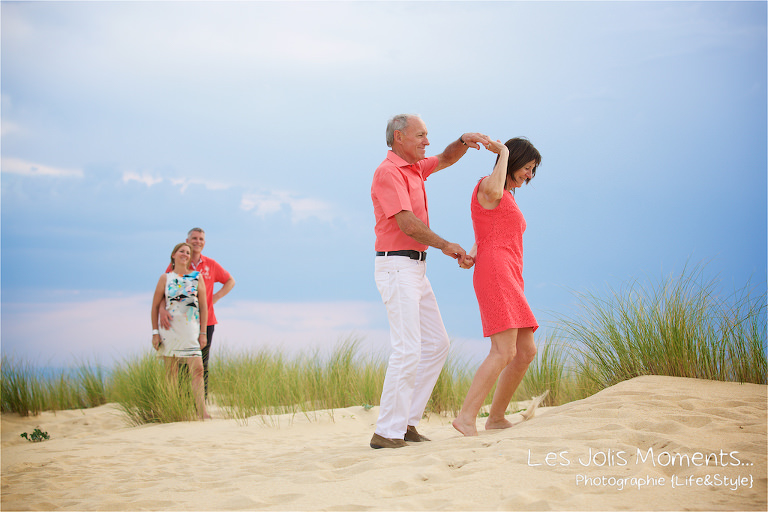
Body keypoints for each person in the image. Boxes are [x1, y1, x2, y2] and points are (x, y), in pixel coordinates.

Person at [369, 113, 489, 449]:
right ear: (399, 137)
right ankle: (386, 432)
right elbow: (407, 223)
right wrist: (447, 245)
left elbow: (447, 157)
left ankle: (405, 423)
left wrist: (464, 141)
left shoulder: (415, 168)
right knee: (407, 349)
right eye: (421, 135)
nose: (427, 142)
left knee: (437, 344)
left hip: (416, 270)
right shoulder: (388, 172)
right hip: (396, 268)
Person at [452, 137, 542, 436]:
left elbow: (487, 232)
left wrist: (471, 254)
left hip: (511, 274)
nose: (529, 175)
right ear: (512, 161)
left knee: (525, 350)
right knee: (503, 351)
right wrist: (502, 151)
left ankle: (497, 418)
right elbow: (493, 189)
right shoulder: (487, 187)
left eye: (532, 170)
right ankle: (466, 418)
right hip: (497, 273)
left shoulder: (508, 196)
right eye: (527, 167)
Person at [159, 227, 235, 399]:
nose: (197, 242)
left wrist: (215, 298)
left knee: (202, 364)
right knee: (180, 364)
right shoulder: (178, 263)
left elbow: (230, 281)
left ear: (204, 243)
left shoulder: (211, 264)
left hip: (206, 322)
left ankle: (201, 403)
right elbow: (164, 289)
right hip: (181, 322)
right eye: (194, 238)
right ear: (187, 241)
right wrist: (162, 309)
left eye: (201, 239)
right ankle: (181, 401)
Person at [151, 242, 210, 420]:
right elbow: (154, 307)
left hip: (191, 330)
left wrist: (203, 332)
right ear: (173, 255)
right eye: (181, 251)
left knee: (198, 370)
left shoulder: (196, 277)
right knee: (171, 373)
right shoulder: (165, 278)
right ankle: (172, 410)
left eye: (188, 252)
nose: (185, 254)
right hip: (169, 331)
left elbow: (204, 307)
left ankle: (202, 411)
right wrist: (155, 332)